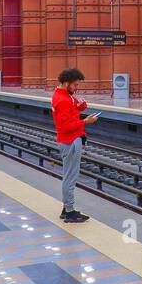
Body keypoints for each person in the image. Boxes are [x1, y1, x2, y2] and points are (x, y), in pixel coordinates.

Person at [51, 68, 98, 223]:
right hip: (70, 140)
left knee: (69, 175)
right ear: (66, 83)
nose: (77, 88)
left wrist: (75, 98)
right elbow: (65, 126)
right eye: (75, 85)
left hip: (70, 139)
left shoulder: (63, 96)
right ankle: (69, 212)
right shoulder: (63, 100)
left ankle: (67, 208)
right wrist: (86, 121)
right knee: (70, 177)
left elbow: (82, 106)